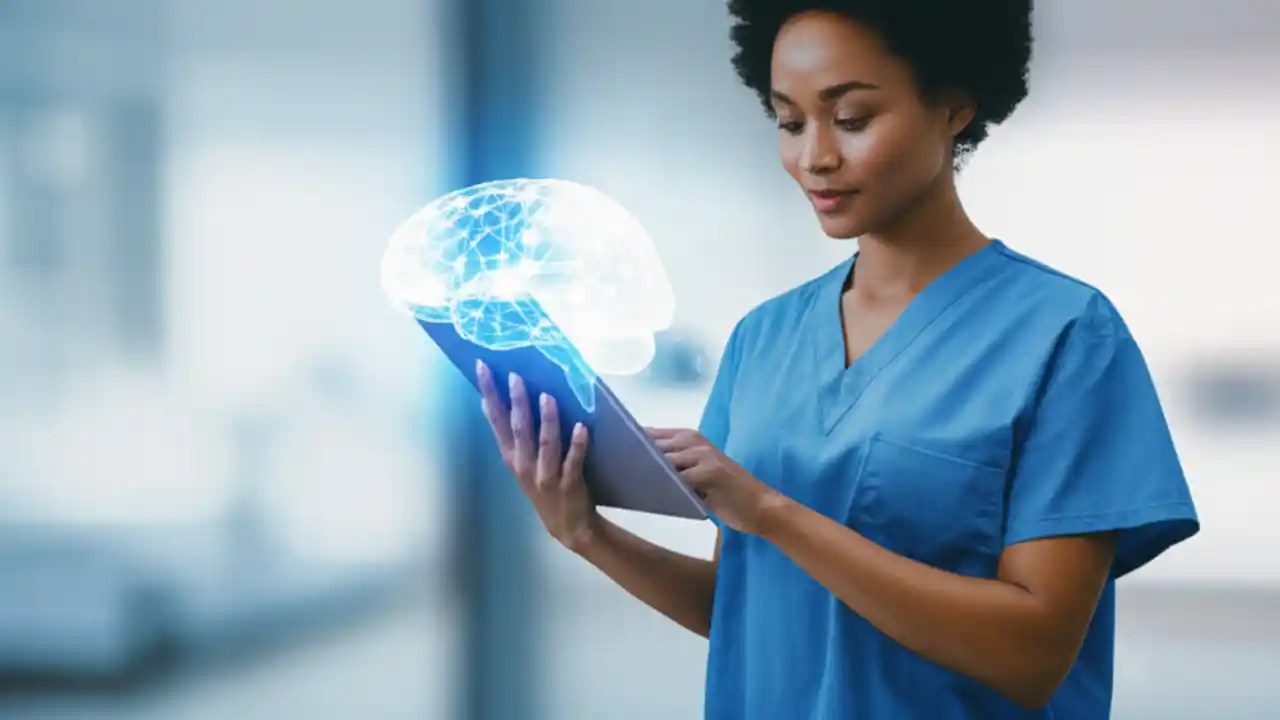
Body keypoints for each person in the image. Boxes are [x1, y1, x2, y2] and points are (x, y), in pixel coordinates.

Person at [475, 1, 1199, 717]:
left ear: (953, 108)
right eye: (789, 122)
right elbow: (752, 609)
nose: (815, 156)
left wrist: (772, 512)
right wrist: (585, 533)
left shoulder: (1065, 336)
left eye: (851, 119)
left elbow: (1032, 654)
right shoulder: (764, 338)